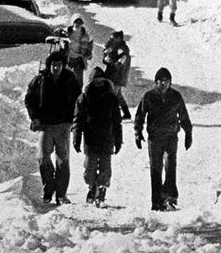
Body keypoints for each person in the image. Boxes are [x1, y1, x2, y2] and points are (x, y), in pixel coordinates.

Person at [24, 50, 81, 205]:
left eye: (59, 65)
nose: (56, 68)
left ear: (63, 66)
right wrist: (34, 117)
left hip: (63, 125)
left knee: (63, 159)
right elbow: (29, 99)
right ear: (49, 66)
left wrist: (75, 121)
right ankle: (49, 189)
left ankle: (61, 194)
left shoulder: (70, 80)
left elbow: (78, 101)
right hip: (45, 125)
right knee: (43, 157)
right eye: (53, 65)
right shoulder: (40, 80)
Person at [134, 67, 192, 212]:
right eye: (159, 81)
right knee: (155, 169)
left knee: (171, 167)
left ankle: (170, 197)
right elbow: (140, 115)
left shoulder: (176, 97)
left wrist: (188, 133)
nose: (162, 83)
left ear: (170, 82)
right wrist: (137, 132)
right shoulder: (149, 96)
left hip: (171, 137)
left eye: (165, 81)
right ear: (155, 82)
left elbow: (183, 116)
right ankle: (156, 202)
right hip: (154, 138)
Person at [74, 68, 123, 207]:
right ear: (91, 81)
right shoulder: (83, 98)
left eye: (101, 79)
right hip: (90, 139)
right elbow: (78, 120)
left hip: (107, 138)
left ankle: (101, 189)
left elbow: (116, 121)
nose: (99, 82)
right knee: (89, 169)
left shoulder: (111, 98)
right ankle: (92, 187)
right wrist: (76, 138)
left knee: (105, 168)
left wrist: (118, 140)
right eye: (96, 80)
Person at [102, 30, 133, 120]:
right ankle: (126, 113)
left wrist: (111, 61)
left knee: (113, 95)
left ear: (119, 38)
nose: (111, 40)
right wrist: (106, 58)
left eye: (113, 38)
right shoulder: (113, 47)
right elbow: (106, 57)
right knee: (118, 95)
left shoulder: (122, 48)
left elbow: (121, 61)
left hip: (118, 75)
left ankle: (113, 115)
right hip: (113, 74)